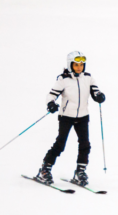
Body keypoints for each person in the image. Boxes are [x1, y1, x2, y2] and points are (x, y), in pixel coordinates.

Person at [35, 51, 106, 186]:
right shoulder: (63, 79)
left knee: (85, 145)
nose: (79, 67)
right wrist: (51, 103)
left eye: (81, 65)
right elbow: (51, 95)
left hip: (83, 117)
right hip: (66, 117)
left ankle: (80, 172)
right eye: (76, 65)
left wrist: (99, 96)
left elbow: (95, 91)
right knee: (60, 144)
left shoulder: (88, 78)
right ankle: (45, 169)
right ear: (70, 65)